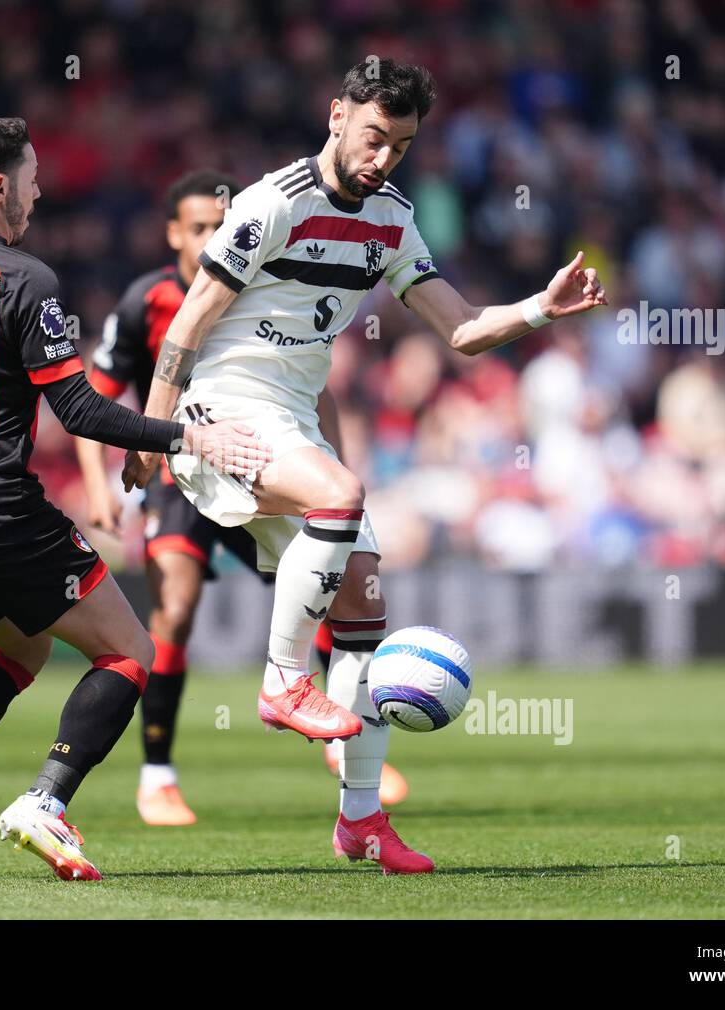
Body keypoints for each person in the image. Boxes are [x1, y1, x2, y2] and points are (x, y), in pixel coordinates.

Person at [123, 60, 607, 874]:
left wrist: (536, 311)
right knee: (342, 494)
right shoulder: (272, 202)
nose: (384, 157)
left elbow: (456, 329)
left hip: (293, 419)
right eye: (375, 136)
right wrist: (157, 430)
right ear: (338, 114)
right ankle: (281, 680)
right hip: (224, 409)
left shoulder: (391, 221)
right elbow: (189, 323)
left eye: (402, 145)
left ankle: (361, 823)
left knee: (365, 623)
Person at [0, 117, 269, 881]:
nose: (39, 191)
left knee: (23, 648)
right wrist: (186, 438)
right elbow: (80, 411)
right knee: (130, 653)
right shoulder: (25, 278)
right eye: (30, 178)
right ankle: (44, 803)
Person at [77, 169, 407, 825]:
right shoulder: (150, 299)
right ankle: (158, 775)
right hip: (179, 471)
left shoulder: (266, 279)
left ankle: (339, 741)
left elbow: (312, 388)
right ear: (174, 232)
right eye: (197, 227)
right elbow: (96, 391)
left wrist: (332, 463)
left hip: (265, 458)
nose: (209, 238)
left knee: (330, 583)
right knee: (174, 608)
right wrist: (97, 486)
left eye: (217, 227)